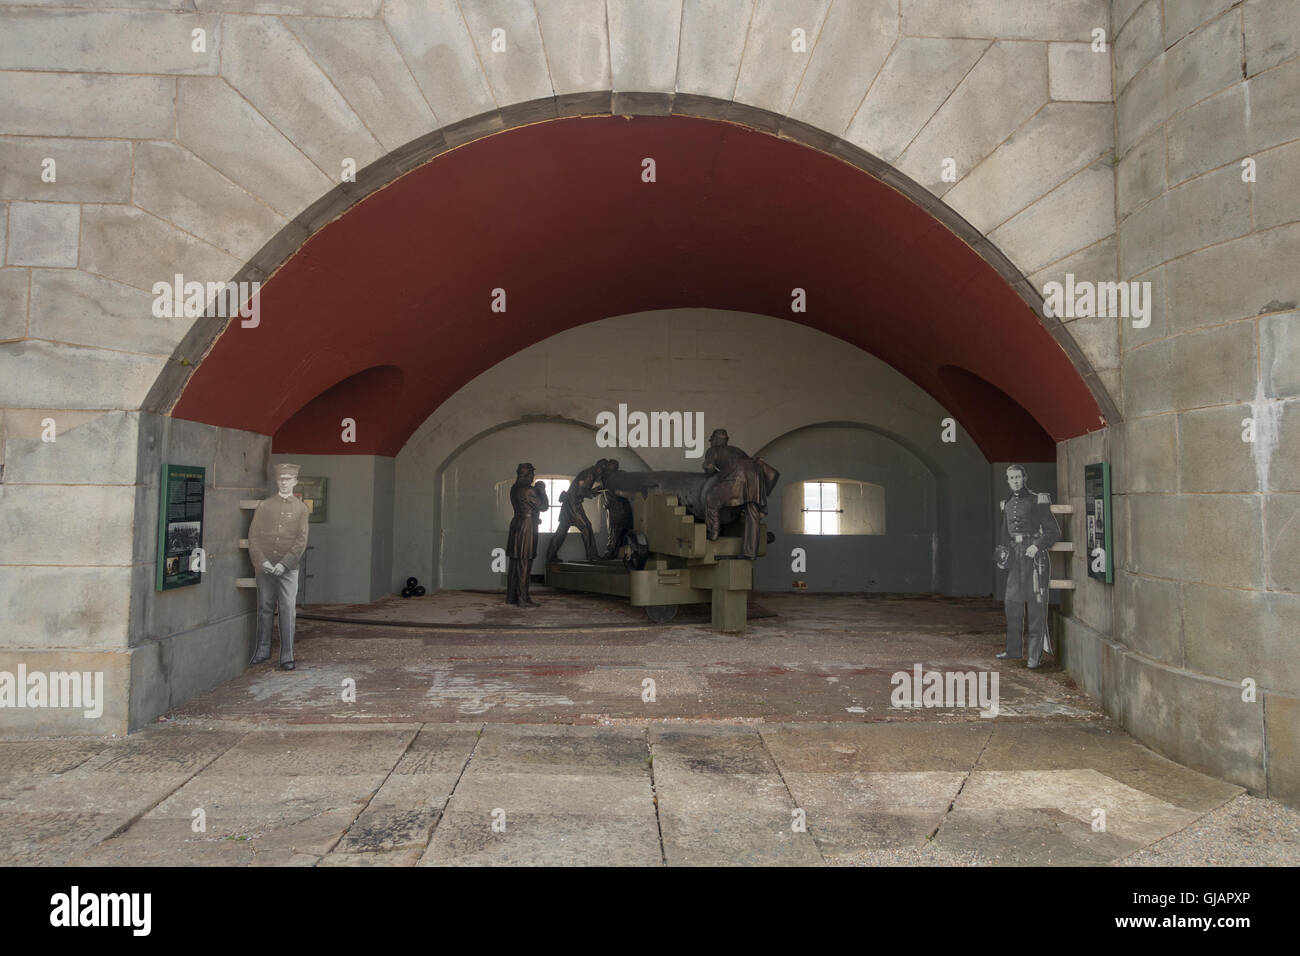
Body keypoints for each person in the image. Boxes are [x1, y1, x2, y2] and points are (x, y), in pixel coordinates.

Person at [995, 464, 1060, 669]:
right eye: (1011, 478)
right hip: (1015, 559)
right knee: (1012, 604)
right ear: (1007, 480)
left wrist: (1036, 545)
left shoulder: (1036, 500)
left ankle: (1034, 656)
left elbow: (1053, 532)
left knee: (1036, 607)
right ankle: (1013, 649)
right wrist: (1002, 555)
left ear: (1025, 478)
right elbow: (1005, 534)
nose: (1015, 481)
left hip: (1033, 559)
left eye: (1018, 477)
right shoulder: (1007, 504)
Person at [248, 462, 310, 670]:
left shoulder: (300, 508)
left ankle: (286, 655)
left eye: (288, 480)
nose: (284, 483)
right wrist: (262, 561)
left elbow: (301, 541)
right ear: (277, 482)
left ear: (295, 482)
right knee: (265, 607)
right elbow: (254, 536)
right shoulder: (265, 505)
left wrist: (284, 564)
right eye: (281, 480)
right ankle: (263, 650)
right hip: (265, 566)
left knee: (287, 609)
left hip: (288, 568)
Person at [702, 429, 778, 560]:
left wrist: (706, 467)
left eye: (711, 440)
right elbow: (751, 464)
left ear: (714, 440)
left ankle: (713, 533)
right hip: (755, 480)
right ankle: (750, 553)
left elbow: (709, 470)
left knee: (711, 498)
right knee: (752, 515)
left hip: (737, 476)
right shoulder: (738, 450)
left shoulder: (713, 451)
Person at [544, 458, 611, 564]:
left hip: (570, 504)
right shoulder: (590, 474)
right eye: (604, 471)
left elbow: (582, 490)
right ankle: (592, 556)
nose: (603, 474)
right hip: (573, 505)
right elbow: (580, 491)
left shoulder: (590, 472)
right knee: (586, 527)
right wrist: (594, 491)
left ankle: (550, 555)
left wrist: (594, 491)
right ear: (600, 468)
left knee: (561, 531)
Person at [506, 462, 548, 606]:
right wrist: (542, 490)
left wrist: (535, 517)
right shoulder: (529, 490)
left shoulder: (514, 488)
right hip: (527, 527)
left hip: (517, 524)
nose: (533, 476)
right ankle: (523, 599)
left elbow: (526, 508)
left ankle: (512, 597)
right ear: (527, 474)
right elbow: (544, 506)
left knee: (515, 561)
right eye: (532, 474)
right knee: (525, 561)